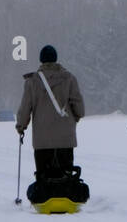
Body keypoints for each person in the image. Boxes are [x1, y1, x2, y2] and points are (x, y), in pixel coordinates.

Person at [16, 45, 85, 177]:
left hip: (42, 141)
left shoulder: (32, 82)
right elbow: (80, 109)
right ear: (55, 59)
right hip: (66, 139)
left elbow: (25, 108)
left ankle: (46, 197)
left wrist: (21, 126)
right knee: (66, 177)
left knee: (44, 178)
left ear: (41, 60)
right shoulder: (69, 79)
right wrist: (74, 118)